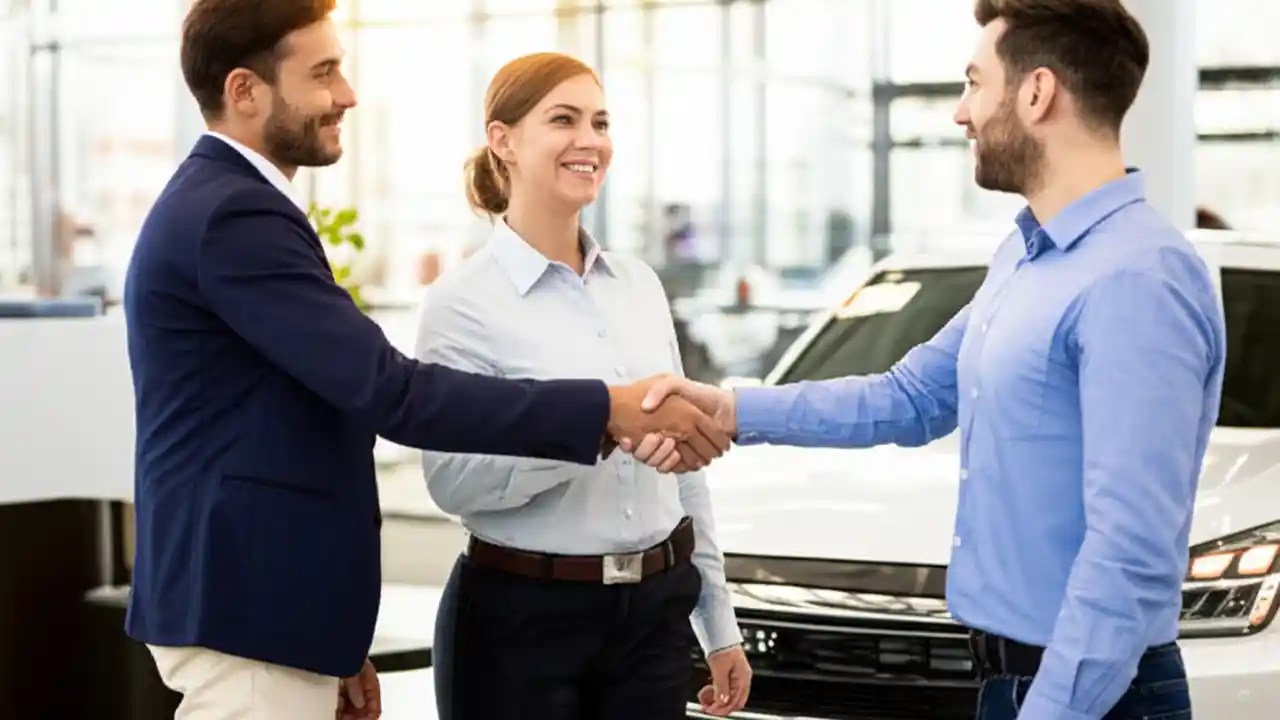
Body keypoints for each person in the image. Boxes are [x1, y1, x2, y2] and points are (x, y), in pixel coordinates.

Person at [122, 2, 728, 718]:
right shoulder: (233, 214)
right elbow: (390, 391)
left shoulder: (235, 207)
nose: (346, 94)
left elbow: (294, 421)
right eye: (323, 73)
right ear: (245, 91)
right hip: (248, 600)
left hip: (271, 606)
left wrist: (332, 640)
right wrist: (606, 409)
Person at [638, 1, 1225, 718]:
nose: (960, 112)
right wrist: (729, 409)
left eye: (975, 83)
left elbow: (1129, 558)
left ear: (1037, 93)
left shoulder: (1138, 279)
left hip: (1092, 695)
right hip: (1010, 681)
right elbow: (909, 396)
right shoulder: (1028, 257)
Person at [417, 52, 751, 720]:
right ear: (503, 139)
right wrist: (596, 426)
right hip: (520, 624)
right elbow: (453, 481)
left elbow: (685, 477)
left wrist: (718, 623)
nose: (590, 140)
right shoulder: (462, 302)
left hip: (654, 619)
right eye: (563, 119)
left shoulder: (640, 286)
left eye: (600, 122)